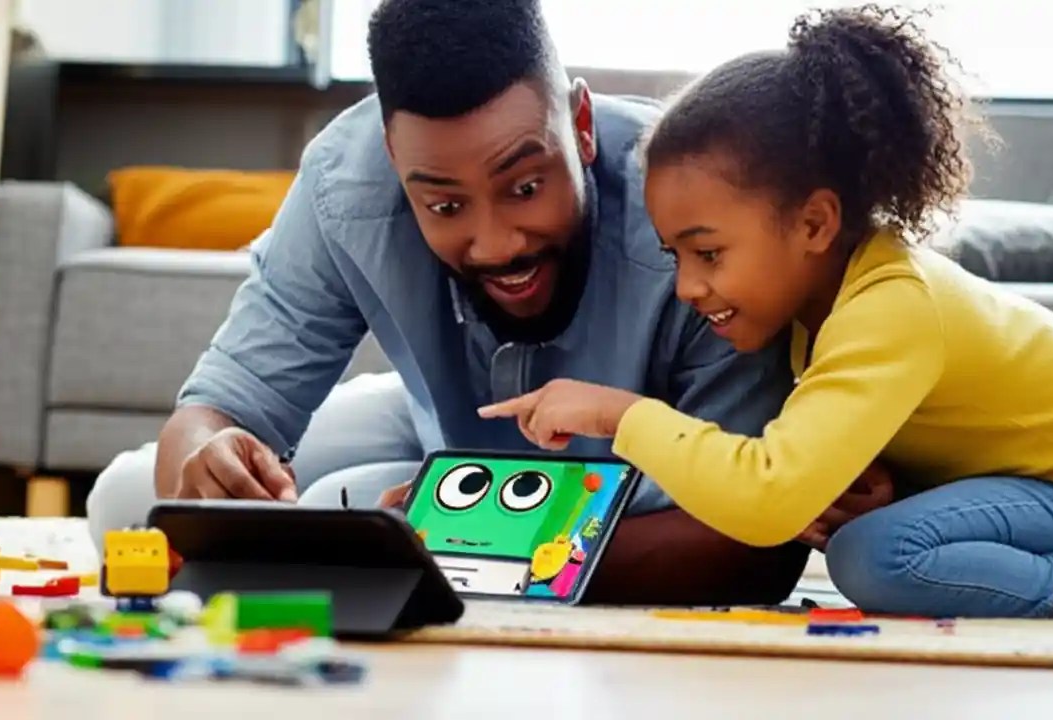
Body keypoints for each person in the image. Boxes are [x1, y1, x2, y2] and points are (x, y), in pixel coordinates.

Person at [86, 0, 872, 605]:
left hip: (642, 486)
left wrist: (472, 551)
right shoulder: (344, 184)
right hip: (439, 427)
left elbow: (756, 537)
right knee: (126, 499)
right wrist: (210, 460)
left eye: (525, 187)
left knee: (332, 519)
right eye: (444, 206)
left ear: (582, 125)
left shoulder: (698, 218)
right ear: (396, 161)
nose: (496, 244)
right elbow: (219, 410)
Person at [479, 4, 1053, 619]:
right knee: (870, 536)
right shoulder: (819, 313)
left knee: (876, 555)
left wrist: (619, 414)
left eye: (707, 252)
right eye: (675, 256)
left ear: (815, 223)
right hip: (1052, 489)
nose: (686, 287)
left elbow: (767, 498)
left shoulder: (891, 307)